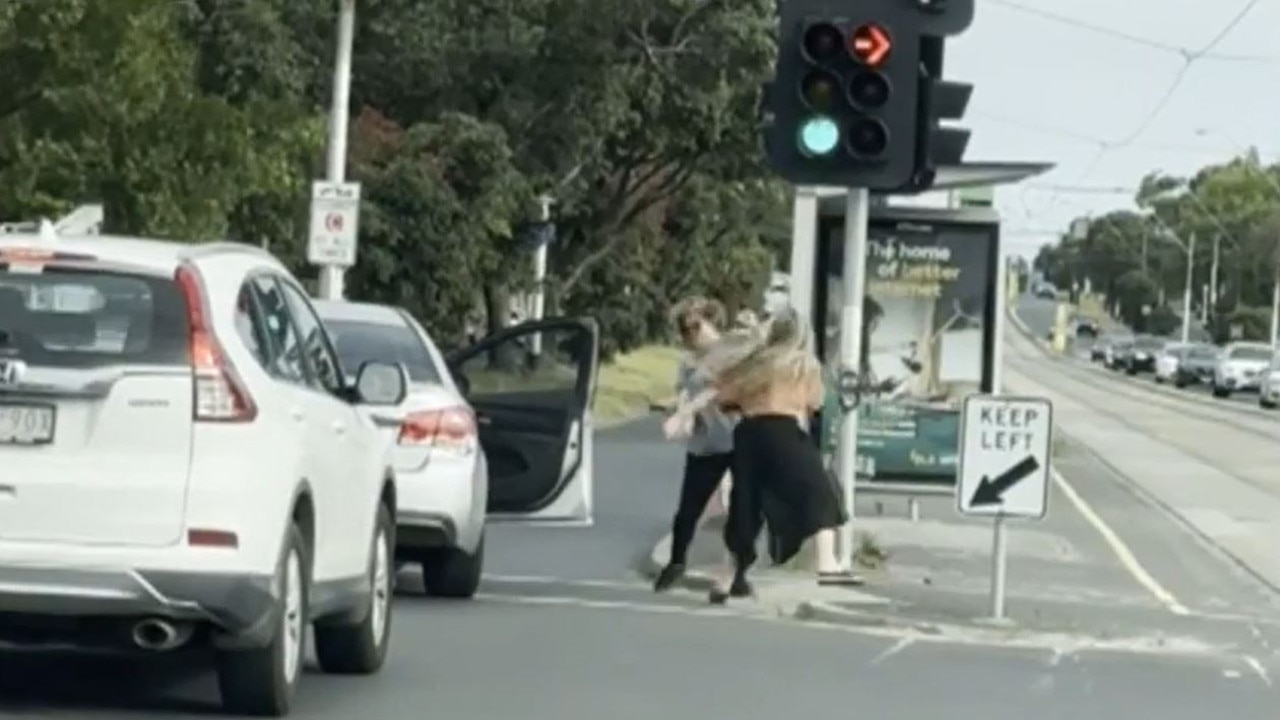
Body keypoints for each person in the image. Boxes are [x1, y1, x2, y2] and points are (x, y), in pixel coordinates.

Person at [696, 307, 860, 603]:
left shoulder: (755, 361)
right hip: (784, 433)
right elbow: (815, 402)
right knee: (821, 491)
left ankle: (726, 577)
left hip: (748, 436)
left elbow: (724, 397)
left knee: (745, 506)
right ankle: (828, 564)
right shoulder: (802, 363)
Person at [653, 297, 736, 592]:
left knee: (737, 510)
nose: (688, 338)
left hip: (736, 440)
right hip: (705, 443)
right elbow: (684, 395)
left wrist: (685, 411)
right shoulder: (688, 362)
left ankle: (731, 574)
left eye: (692, 329)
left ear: (706, 325)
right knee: (688, 508)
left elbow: (717, 391)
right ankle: (676, 562)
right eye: (684, 332)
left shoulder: (730, 354)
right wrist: (675, 410)